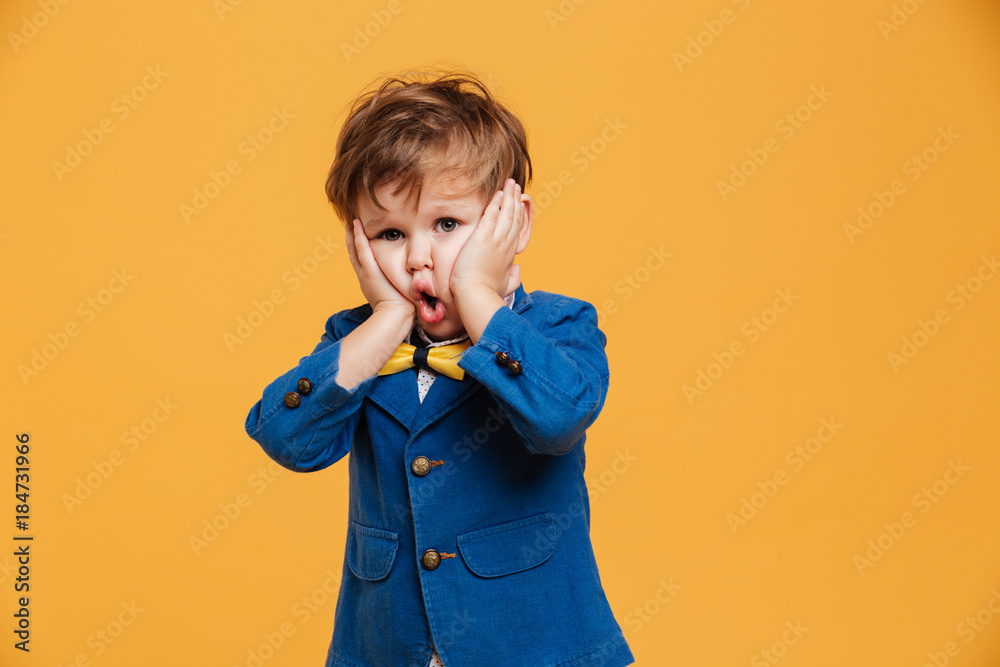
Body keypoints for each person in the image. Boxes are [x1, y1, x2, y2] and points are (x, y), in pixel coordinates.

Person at [244, 68, 634, 667]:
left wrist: (476, 292)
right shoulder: (355, 341)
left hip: (538, 647)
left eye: (447, 226)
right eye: (390, 234)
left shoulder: (557, 326)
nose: (418, 258)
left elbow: (559, 421)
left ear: (514, 223)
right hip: (385, 647)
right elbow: (288, 441)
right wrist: (384, 322)